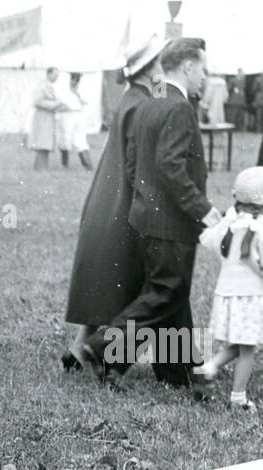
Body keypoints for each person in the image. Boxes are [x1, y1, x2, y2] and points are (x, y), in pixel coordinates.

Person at [80, 38, 222, 387]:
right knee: (165, 293)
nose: (205, 76)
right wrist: (203, 210)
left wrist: (147, 199)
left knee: (172, 296)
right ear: (187, 67)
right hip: (170, 222)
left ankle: (176, 372)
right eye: (202, 68)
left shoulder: (150, 102)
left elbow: (133, 164)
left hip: (148, 217)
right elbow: (172, 167)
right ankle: (101, 347)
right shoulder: (178, 108)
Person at [63, 34, 165, 370]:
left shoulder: (129, 99)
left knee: (104, 281)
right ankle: (106, 356)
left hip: (106, 201)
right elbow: (140, 165)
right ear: (149, 71)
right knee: (129, 283)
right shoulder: (141, 104)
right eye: (160, 65)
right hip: (123, 205)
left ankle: (79, 348)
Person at [191, 167, 263, 413]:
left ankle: (210, 368)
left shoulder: (230, 223)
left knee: (241, 341)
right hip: (250, 297)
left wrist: (226, 218)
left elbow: (207, 239)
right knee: (248, 348)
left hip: (226, 294)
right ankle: (238, 398)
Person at [29, 66, 65, 170]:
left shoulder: (49, 86)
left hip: (48, 118)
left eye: (57, 76)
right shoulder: (42, 86)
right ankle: (40, 167)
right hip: (42, 118)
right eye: (54, 75)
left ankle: (42, 167)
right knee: (42, 143)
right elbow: (37, 101)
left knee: (46, 143)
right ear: (48, 74)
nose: (56, 78)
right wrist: (54, 105)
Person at [56, 71, 92, 169]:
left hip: (78, 114)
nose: (75, 82)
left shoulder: (81, 89)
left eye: (77, 80)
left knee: (80, 139)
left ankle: (88, 165)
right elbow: (59, 101)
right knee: (65, 139)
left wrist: (78, 94)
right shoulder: (63, 89)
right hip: (66, 115)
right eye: (73, 80)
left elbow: (86, 101)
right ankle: (65, 164)